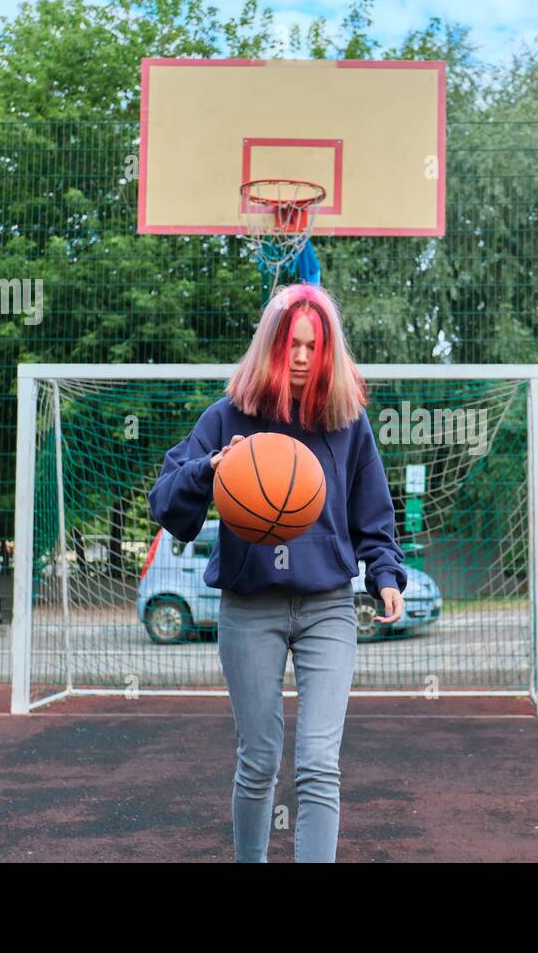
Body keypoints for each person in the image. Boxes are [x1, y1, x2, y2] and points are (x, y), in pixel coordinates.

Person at [148, 283, 407, 863]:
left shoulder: (348, 425)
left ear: (327, 353)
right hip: (249, 607)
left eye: (313, 346)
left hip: (329, 607)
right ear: (270, 347)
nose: (300, 357)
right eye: (291, 344)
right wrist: (211, 468)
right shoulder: (227, 418)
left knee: (318, 762)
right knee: (259, 759)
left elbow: (374, 515)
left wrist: (385, 576)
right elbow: (165, 502)